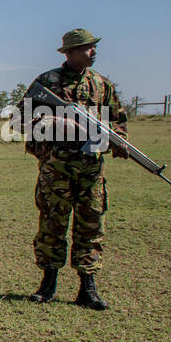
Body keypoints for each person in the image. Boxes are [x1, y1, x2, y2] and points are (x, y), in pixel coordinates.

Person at [23, 28, 130, 310]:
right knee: (52, 224)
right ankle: (48, 285)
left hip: (90, 170)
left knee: (91, 225)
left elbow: (118, 122)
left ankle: (88, 288)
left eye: (93, 48)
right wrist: (59, 123)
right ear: (68, 53)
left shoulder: (102, 85)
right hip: (55, 169)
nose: (92, 52)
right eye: (86, 48)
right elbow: (22, 119)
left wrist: (118, 140)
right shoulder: (47, 82)